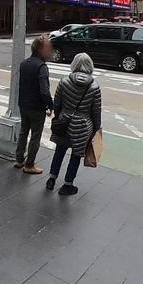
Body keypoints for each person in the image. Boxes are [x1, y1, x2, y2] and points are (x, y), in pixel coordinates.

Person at [47, 53, 102, 196]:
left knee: (59, 151)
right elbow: (96, 111)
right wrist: (96, 128)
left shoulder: (64, 81)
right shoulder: (94, 86)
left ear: (74, 64)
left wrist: (59, 118)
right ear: (90, 66)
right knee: (76, 155)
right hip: (83, 126)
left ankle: (51, 179)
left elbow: (57, 104)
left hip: (65, 120)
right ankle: (67, 185)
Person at [14, 35, 54, 174]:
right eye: (48, 48)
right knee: (35, 136)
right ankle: (29, 165)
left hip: (23, 105)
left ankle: (19, 160)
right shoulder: (42, 67)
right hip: (36, 108)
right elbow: (44, 90)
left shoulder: (24, 63)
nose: (51, 51)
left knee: (23, 132)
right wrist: (50, 105)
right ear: (40, 49)